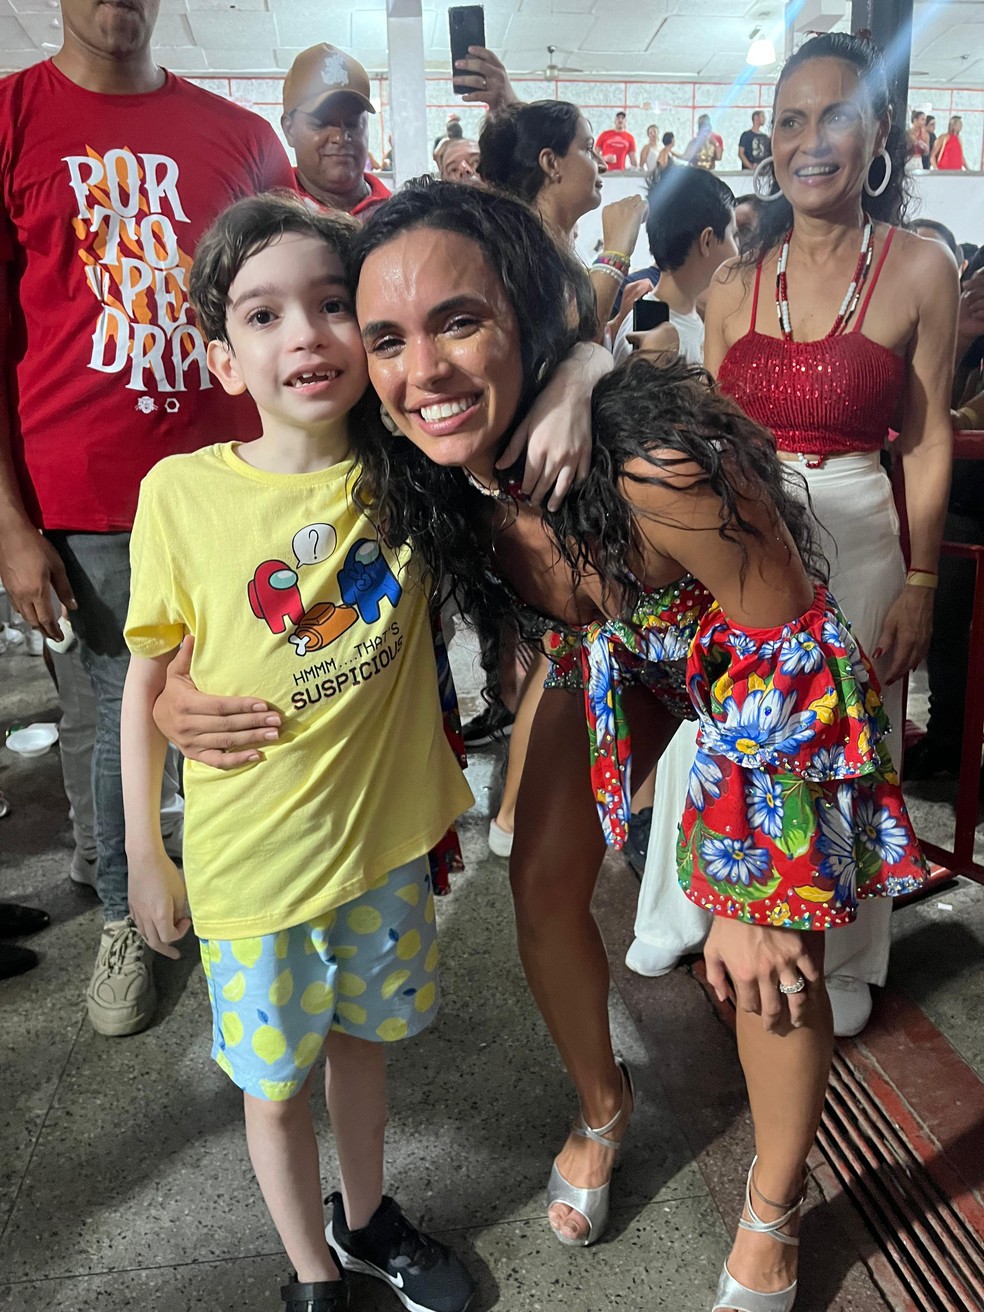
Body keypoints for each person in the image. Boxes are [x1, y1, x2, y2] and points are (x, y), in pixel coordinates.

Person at [156, 178, 928, 1312]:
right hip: (604, 647)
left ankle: (773, 1203)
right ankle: (602, 1108)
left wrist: (757, 894)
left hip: (759, 670)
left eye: (458, 321)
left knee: (776, 953)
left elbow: (791, 654)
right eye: (387, 339)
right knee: (541, 879)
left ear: (521, 310)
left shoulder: (660, 467)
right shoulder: (417, 461)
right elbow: (279, 559)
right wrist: (173, 694)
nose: (421, 370)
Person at [122, 194, 477, 1312]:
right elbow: (146, 681)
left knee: (363, 1044)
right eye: (265, 316)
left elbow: (540, 346)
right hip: (251, 872)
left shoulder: (412, 467)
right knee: (273, 1086)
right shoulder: (180, 495)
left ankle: (364, 1218)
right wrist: (144, 849)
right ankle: (312, 1273)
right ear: (224, 358)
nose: (307, 336)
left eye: (333, 306)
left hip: (376, 854)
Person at [0, 0, 297, 1037]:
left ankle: (244, 893)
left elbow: (305, 280)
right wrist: (10, 525)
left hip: (235, 482)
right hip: (86, 500)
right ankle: (127, 914)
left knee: (247, 697)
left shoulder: (244, 137)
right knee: (116, 714)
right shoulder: (12, 119)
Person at [704, 32, 957, 1036]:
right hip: (752, 538)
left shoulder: (923, 269)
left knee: (856, 751)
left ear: (879, 132)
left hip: (860, 530)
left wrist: (924, 580)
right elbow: (706, 439)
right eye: (790, 120)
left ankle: (850, 949)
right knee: (747, 740)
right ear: (768, 141)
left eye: (837, 116)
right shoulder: (731, 285)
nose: (812, 142)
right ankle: (732, 914)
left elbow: (929, 438)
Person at [477, 99, 646, 853]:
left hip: (551, 482)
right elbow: (568, 334)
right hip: (528, 488)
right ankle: (516, 815)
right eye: (587, 149)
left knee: (565, 651)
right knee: (561, 650)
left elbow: (585, 350)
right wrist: (616, 253)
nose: (600, 163)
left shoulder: (543, 243)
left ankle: (525, 811)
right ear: (550, 162)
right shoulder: (519, 246)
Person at [612, 167, 737, 366]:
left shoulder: (694, 318)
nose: (737, 250)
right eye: (734, 235)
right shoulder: (648, 336)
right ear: (707, 241)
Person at [282, 44, 390, 219]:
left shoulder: (401, 218)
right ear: (289, 129)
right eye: (322, 124)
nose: (340, 137)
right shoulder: (267, 220)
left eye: (352, 123)